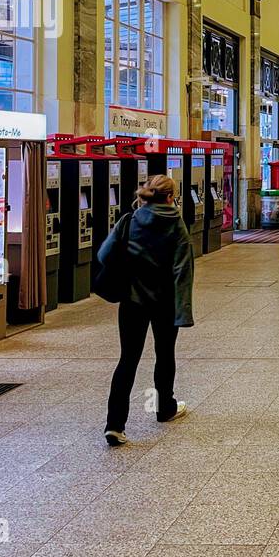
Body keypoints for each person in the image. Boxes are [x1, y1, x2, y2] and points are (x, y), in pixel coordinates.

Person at [100, 174, 194, 447]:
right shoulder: (176, 224)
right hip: (164, 303)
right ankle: (164, 407)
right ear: (170, 197)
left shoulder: (129, 220)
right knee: (164, 355)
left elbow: (105, 255)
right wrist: (184, 311)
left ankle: (114, 425)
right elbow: (182, 270)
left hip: (132, 301)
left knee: (127, 360)